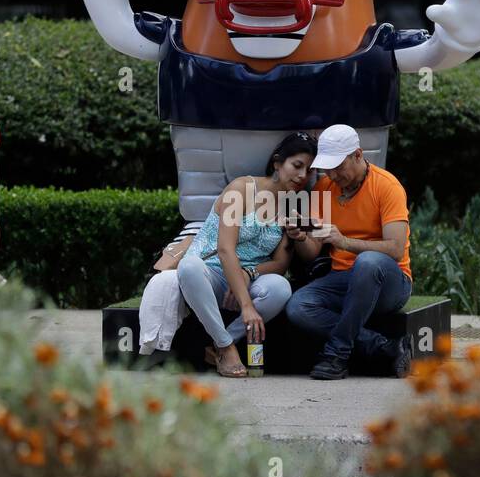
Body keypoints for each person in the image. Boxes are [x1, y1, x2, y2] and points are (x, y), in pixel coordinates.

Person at [175, 132, 315, 378]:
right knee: (188, 267)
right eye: (297, 165)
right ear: (277, 163)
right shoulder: (241, 189)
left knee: (280, 287)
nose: (303, 175)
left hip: (248, 277)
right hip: (213, 273)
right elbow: (225, 249)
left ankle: (220, 342)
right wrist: (246, 305)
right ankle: (227, 347)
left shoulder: (293, 206)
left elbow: (280, 264)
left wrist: (250, 272)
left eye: (310, 170)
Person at [285, 124, 413, 380]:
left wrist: (344, 242)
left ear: (357, 155)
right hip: (342, 278)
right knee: (298, 306)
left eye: (338, 166)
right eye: (327, 167)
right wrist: (300, 236)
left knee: (367, 263)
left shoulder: (387, 186)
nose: (332, 173)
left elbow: (396, 249)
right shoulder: (324, 188)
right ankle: (387, 347)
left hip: (389, 281)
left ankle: (337, 354)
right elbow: (311, 253)